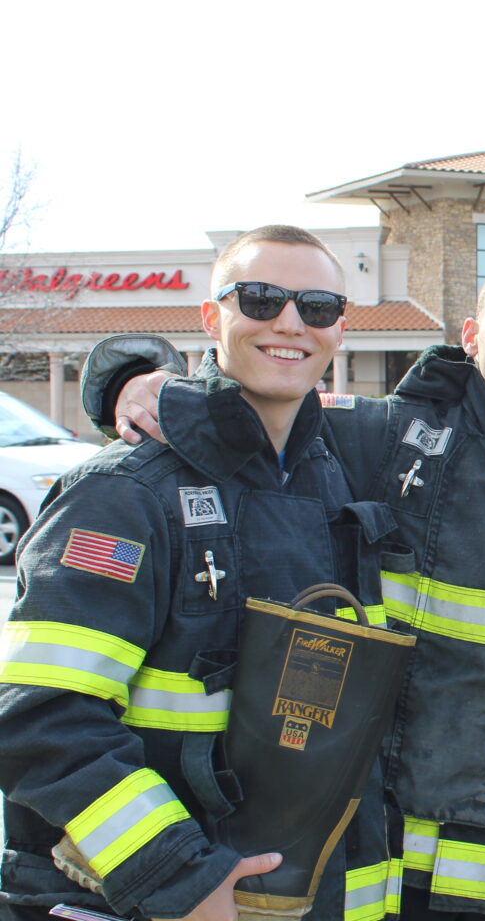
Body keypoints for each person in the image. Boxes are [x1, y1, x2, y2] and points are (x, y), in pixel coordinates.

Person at [89, 256, 485, 920]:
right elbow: (252, 407)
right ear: (472, 336)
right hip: (365, 859)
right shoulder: (379, 439)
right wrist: (139, 381)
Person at [0, 225, 395, 920]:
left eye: (318, 307)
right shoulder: (125, 494)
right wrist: (179, 878)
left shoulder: (341, 482)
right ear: (211, 318)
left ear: (341, 331)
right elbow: (41, 721)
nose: (291, 323)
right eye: (262, 298)